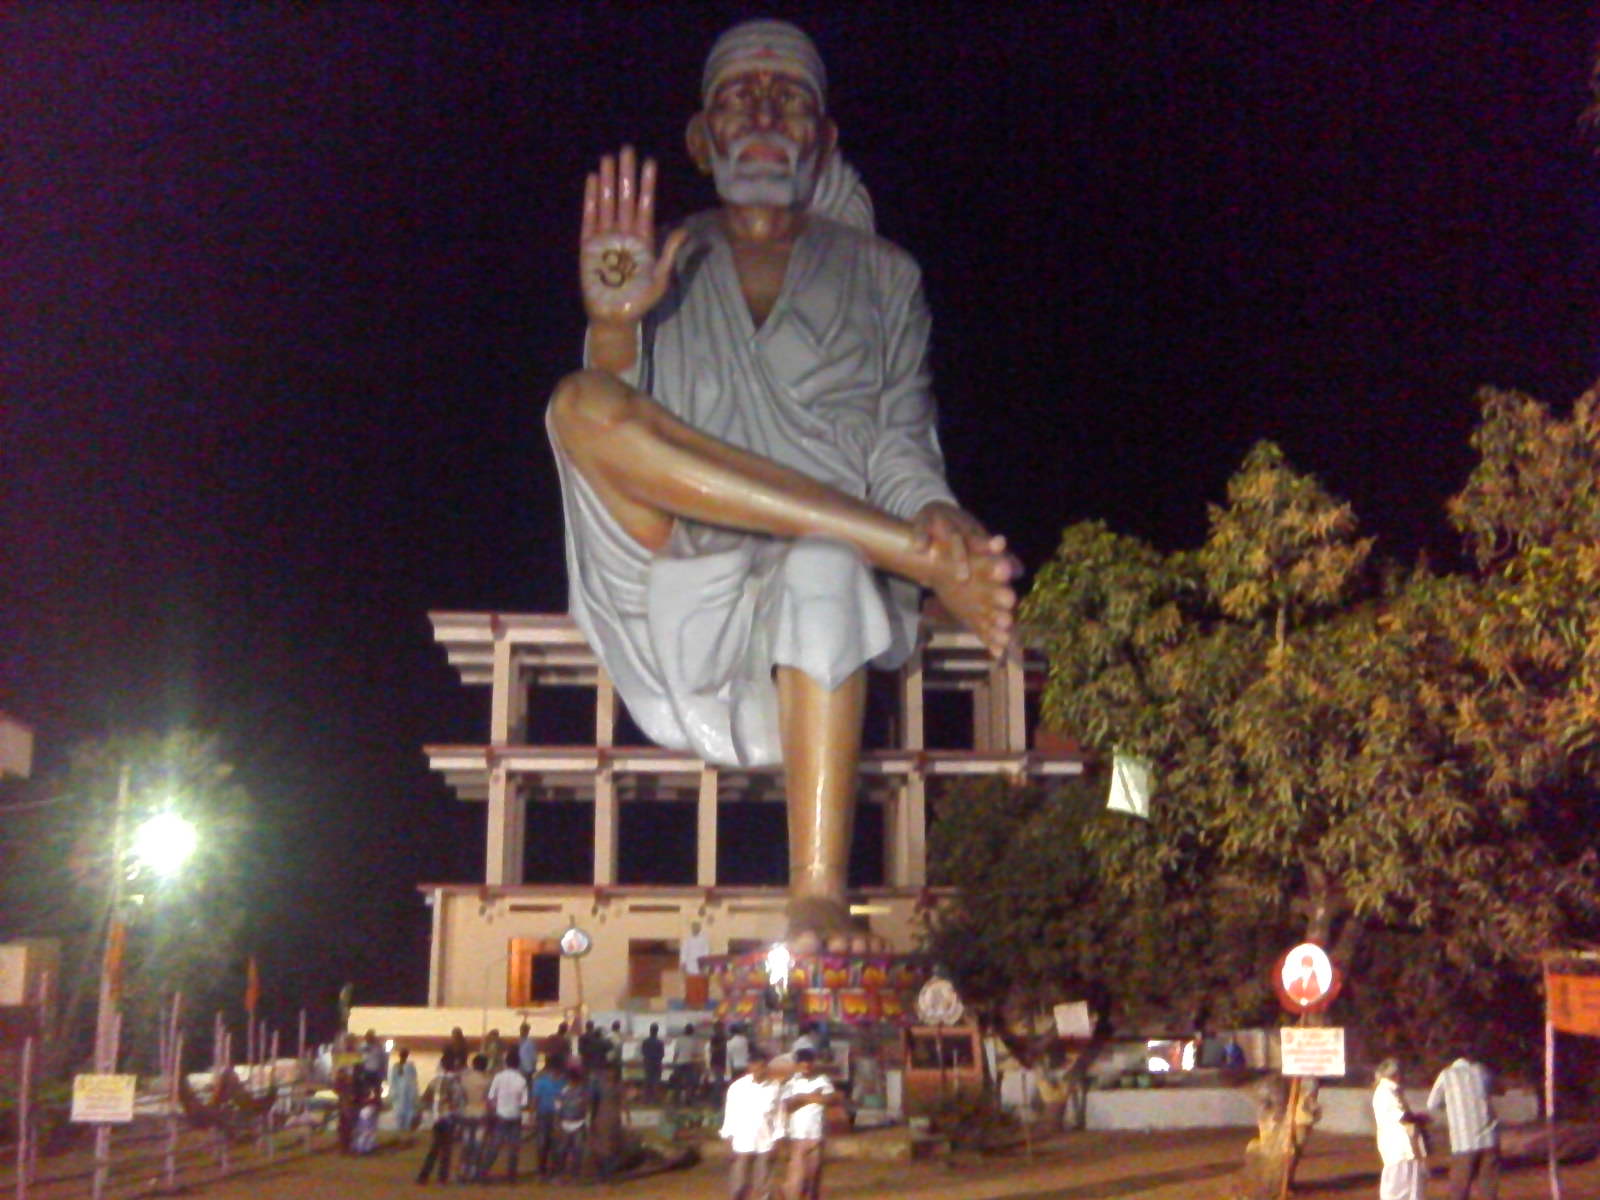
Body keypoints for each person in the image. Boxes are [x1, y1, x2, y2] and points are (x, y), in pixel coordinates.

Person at [548, 17, 1018, 938]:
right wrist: (613, 324)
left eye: (790, 99)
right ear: (701, 137)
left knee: (825, 567)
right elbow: (622, 422)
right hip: (681, 550)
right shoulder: (668, 258)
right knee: (576, 404)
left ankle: (816, 889)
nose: (763, 114)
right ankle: (902, 555)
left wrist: (934, 511)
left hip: (830, 571)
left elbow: (898, 439)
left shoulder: (884, 276)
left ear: (824, 138)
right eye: (738, 98)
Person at [1428, 1054, 1500, 1200]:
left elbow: (1432, 1104)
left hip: (1463, 1141)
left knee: (1460, 1189)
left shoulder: (1446, 1075)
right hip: (1489, 1138)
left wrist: (1450, 1106)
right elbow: (1499, 1089)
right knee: (1488, 1188)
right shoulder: (1481, 1070)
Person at [721, 1049, 782, 1200]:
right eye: (754, 1066)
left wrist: (777, 1141)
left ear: (766, 1067)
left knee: (762, 1187)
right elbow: (730, 1116)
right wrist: (728, 1141)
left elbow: (779, 1117)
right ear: (749, 1067)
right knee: (738, 1186)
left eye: (761, 1066)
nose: (757, 1070)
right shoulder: (737, 1088)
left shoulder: (775, 1088)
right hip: (742, 1142)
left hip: (765, 1142)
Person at [781, 1048, 841, 1200]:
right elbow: (788, 1105)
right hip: (797, 1134)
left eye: (808, 1063)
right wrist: (812, 1096)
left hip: (816, 1133)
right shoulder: (791, 1082)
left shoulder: (822, 1080)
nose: (806, 1067)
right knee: (797, 1176)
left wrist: (801, 1098)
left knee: (814, 1174)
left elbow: (831, 1099)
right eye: (802, 1064)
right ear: (797, 1065)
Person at [1372, 1058, 1428, 1200]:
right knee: (1396, 1191)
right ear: (1394, 1074)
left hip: (1406, 1147)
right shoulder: (1386, 1092)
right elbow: (1401, 1116)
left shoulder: (1393, 1091)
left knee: (1411, 1189)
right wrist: (1420, 1118)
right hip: (1397, 1147)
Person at [477, 1055, 531, 1182]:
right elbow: (524, 1103)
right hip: (515, 1115)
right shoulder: (521, 1080)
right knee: (514, 1147)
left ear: (506, 1063)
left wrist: (493, 1112)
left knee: (495, 1146)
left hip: (500, 1114)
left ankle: (483, 1171)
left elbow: (491, 1097)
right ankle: (511, 1176)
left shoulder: (498, 1077)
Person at [416, 1059, 465, 1183]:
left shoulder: (435, 1081)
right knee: (446, 1150)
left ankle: (424, 1175)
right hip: (450, 1117)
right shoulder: (456, 1083)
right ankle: (442, 1177)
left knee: (435, 1148)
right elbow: (459, 1102)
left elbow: (425, 1098)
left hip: (437, 1118)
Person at [455, 1052, 493, 1181]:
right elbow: (489, 1099)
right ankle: (474, 1171)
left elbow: (461, 1098)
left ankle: (462, 1170)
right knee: (478, 1144)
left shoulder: (465, 1079)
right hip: (481, 1113)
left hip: (467, 1112)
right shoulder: (487, 1081)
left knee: (466, 1143)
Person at [530, 1060, 566, 1178]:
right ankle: (543, 1170)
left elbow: (535, 1099)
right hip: (545, 1114)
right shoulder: (547, 1082)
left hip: (553, 1114)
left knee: (553, 1143)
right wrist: (533, 1114)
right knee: (544, 1143)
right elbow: (535, 1099)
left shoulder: (559, 1082)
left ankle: (550, 1170)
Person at [554, 1067, 590, 1178]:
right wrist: (557, 1123)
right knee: (563, 1150)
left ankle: (574, 1174)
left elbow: (586, 1107)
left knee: (576, 1150)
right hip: (567, 1123)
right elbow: (558, 1108)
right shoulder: (564, 1091)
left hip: (577, 1123)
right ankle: (562, 1173)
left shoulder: (582, 1092)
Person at [387, 1046, 419, 1137]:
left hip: (408, 1092)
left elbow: (414, 1079)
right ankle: (400, 1129)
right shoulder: (395, 1066)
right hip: (398, 1092)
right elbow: (392, 1080)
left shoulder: (410, 1065)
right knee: (398, 1111)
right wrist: (393, 1091)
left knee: (409, 1111)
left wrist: (414, 1091)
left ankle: (407, 1129)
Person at [669, 1023, 703, 1104]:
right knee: (690, 1083)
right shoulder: (695, 1041)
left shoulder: (679, 1039)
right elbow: (696, 1054)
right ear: (692, 1031)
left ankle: (676, 1099)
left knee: (678, 1082)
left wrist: (674, 1064)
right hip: (689, 1063)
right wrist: (699, 1065)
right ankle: (688, 1099)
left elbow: (676, 1053)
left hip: (679, 1063)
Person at [641, 1023, 666, 1100]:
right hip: (657, 1063)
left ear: (650, 1031)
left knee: (648, 1081)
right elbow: (662, 1054)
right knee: (656, 1081)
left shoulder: (645, 1041)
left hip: (648, 1063)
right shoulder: (660, 1042)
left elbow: (643, 1052)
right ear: (657, 1031)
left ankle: (647, 1098)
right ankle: (655, 1098)